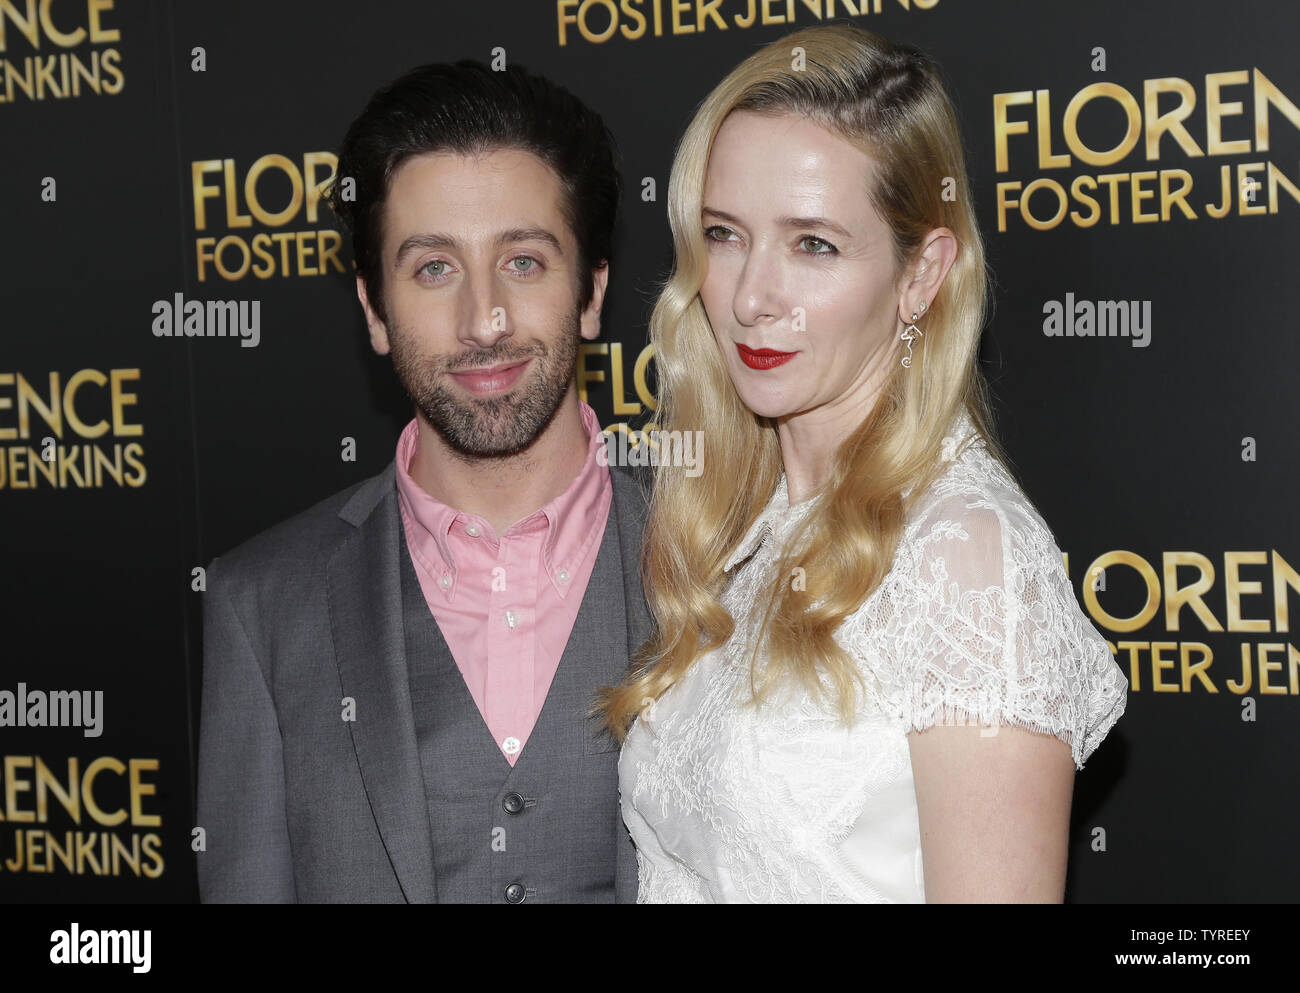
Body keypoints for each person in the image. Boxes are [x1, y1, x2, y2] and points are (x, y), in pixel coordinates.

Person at [600, 24, 1128, 903]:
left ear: (921, 275)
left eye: (814, 244)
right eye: (725, 234)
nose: (750, 296)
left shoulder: (968, 561)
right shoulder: (744, 528)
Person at [196, 60, 649, 903]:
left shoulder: (729, 551)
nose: (485, 320)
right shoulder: (260, 606)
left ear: (592, 293)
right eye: (434, 268)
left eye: (522, 260)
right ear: (373, 309)